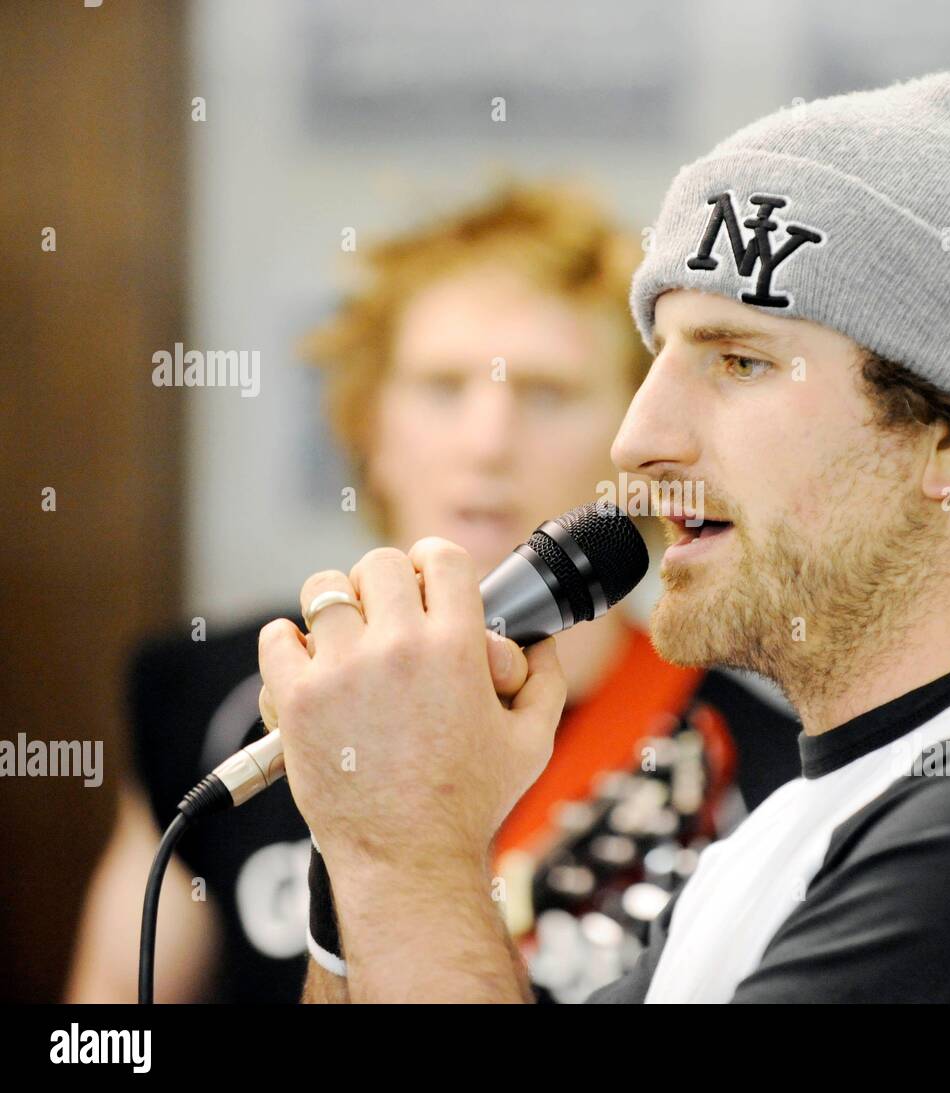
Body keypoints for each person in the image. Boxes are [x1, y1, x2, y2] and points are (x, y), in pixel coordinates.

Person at [261, 72, 950, 1004]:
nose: (639, 437)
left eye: (738, 361)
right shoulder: (821, 812)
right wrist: (361, 859)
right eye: (660, 354)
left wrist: (410, 852)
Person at [64, 182, 800, 1004]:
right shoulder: (223, 695)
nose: (487, 442)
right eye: (443, 388)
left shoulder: (770, 770)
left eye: (548, 392)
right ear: (368, 430)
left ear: (638, 441)